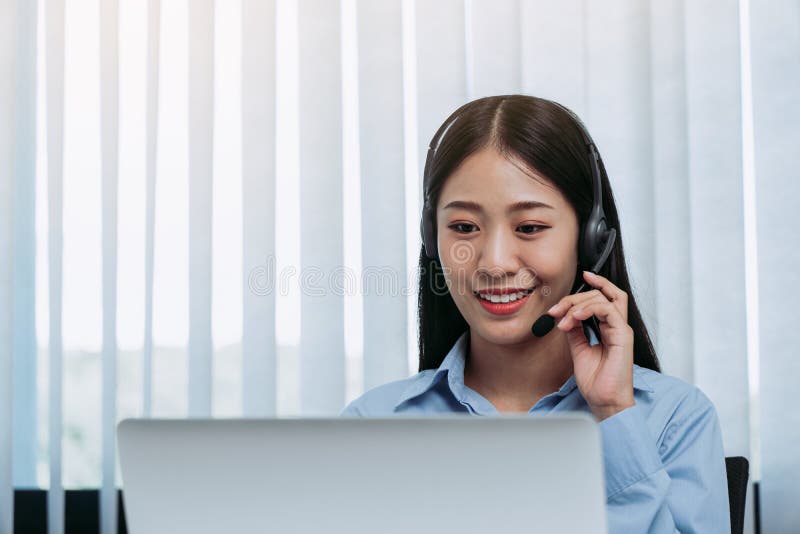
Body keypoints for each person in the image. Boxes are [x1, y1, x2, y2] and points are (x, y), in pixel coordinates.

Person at [340, 95, 731, 533]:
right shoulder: (372, 425)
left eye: (529, 228)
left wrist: (615, 414)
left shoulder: (674, 420)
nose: (495, 262)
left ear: (590, 239)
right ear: (433, 241)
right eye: (464, 227)